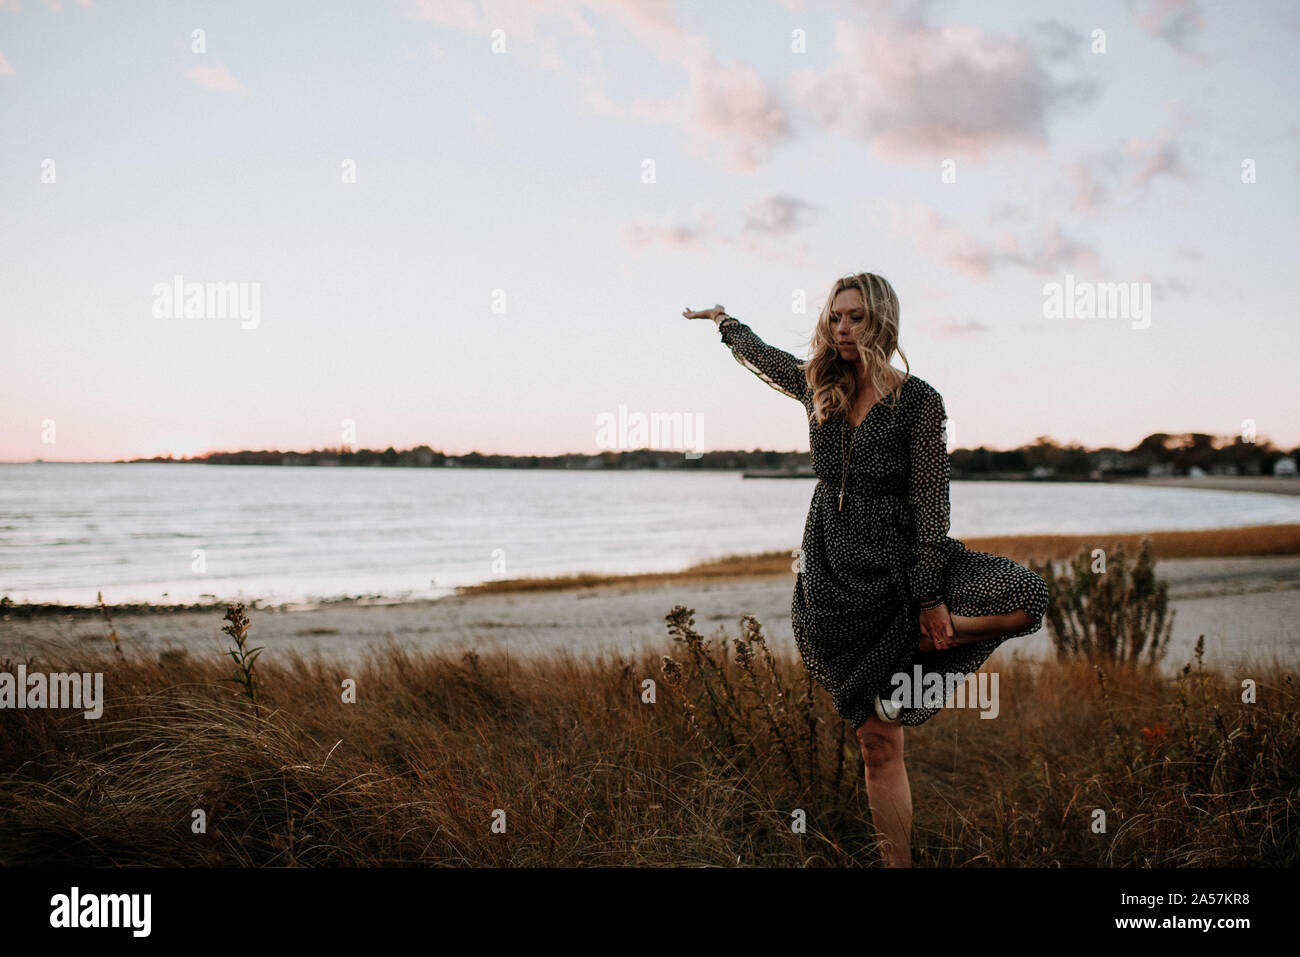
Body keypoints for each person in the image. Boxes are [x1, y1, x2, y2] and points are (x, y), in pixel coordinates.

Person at [683, 272, 1049, 867]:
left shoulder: (919, 401)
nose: (844, 328)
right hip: (833, 579)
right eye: (835, 317)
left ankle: (919, 634)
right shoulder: (818, 386)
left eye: (856, 316)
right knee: (877, 742)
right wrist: (725, 323)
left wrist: (930, 599)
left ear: (882, 321)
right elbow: (763, 357)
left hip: (905, 570)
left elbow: (932, 505)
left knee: (1024, 599)